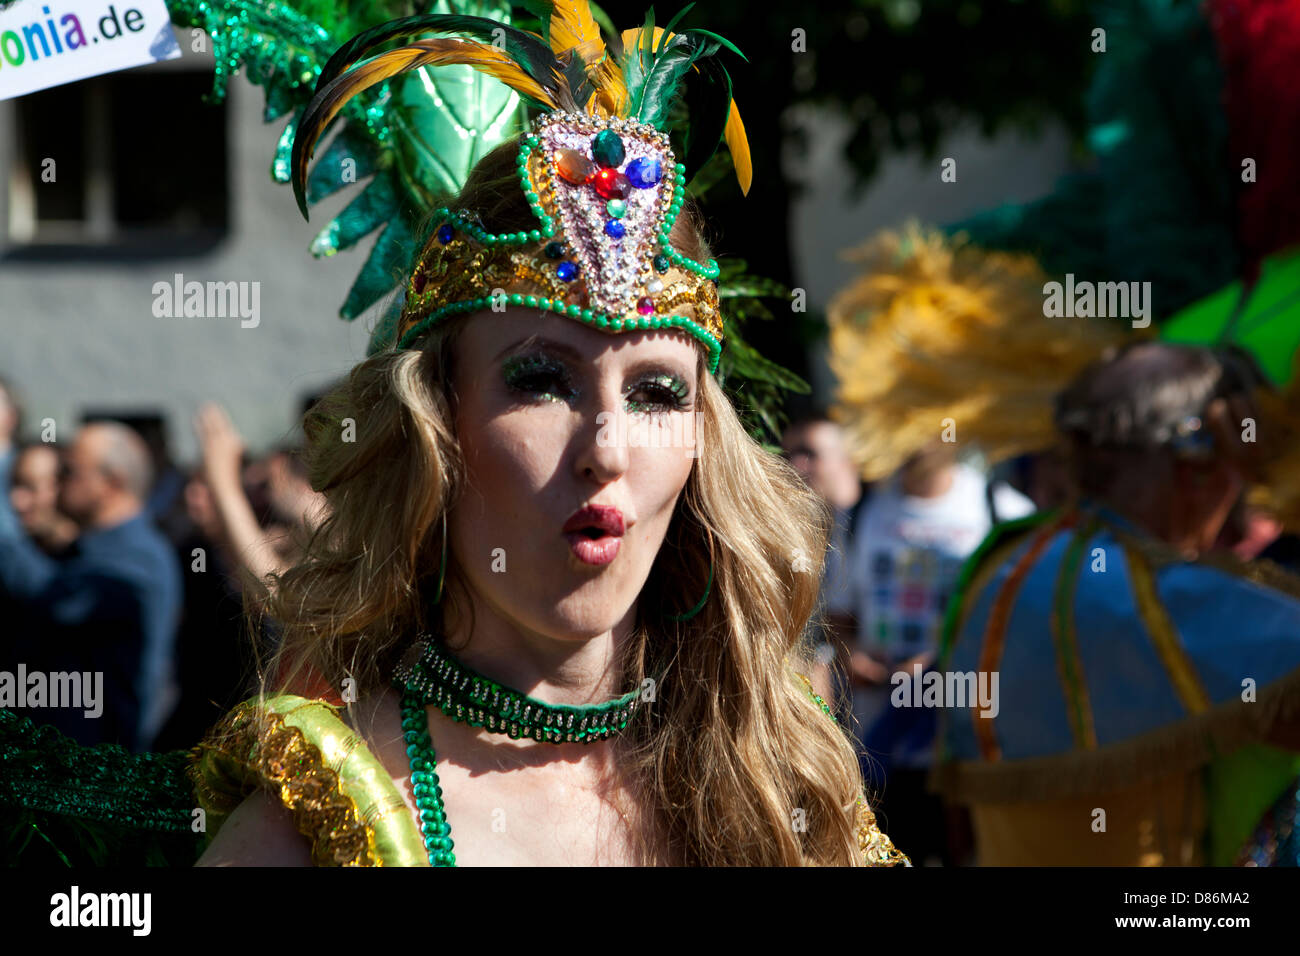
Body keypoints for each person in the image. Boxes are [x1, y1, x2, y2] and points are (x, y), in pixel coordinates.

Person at [189, 5, 908, 867]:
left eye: (654, 393)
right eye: (540, 380)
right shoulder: (313, 826)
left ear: (703, 444)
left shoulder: (783, 776)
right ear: (436, 428)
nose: (606, 447)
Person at [933, 342, 1300, 865]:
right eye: (1240, 470)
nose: (1241, 495)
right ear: (1193, 468)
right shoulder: (1148, 594)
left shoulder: (1004, 561)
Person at [0, 422, 182, 751]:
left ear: (112, 481)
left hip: (95, 774)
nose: (57, 482)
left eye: (68, 471)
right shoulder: (97, 548)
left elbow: (53, 597)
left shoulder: (138, 557)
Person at [780, 412, 866, 708]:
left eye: (809, 454)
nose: (795, 465)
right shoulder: (792, 536)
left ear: (849, 462)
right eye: (789, 453)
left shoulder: (883, 525)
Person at [8, 443, 78, 557]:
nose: (16, 502)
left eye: (31, 487)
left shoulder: (101, 563)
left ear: (63, 488)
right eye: (15, 484)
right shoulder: (12, 559)